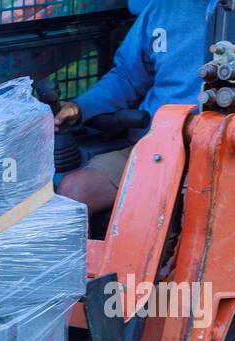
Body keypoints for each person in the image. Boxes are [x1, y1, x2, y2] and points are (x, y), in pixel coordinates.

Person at [55, 0, 208, 214]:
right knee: (73, 193)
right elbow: (127, 76)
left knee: (191, 211)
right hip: (155, 146)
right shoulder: (163, 8)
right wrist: (80, 107)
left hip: (226, 151)